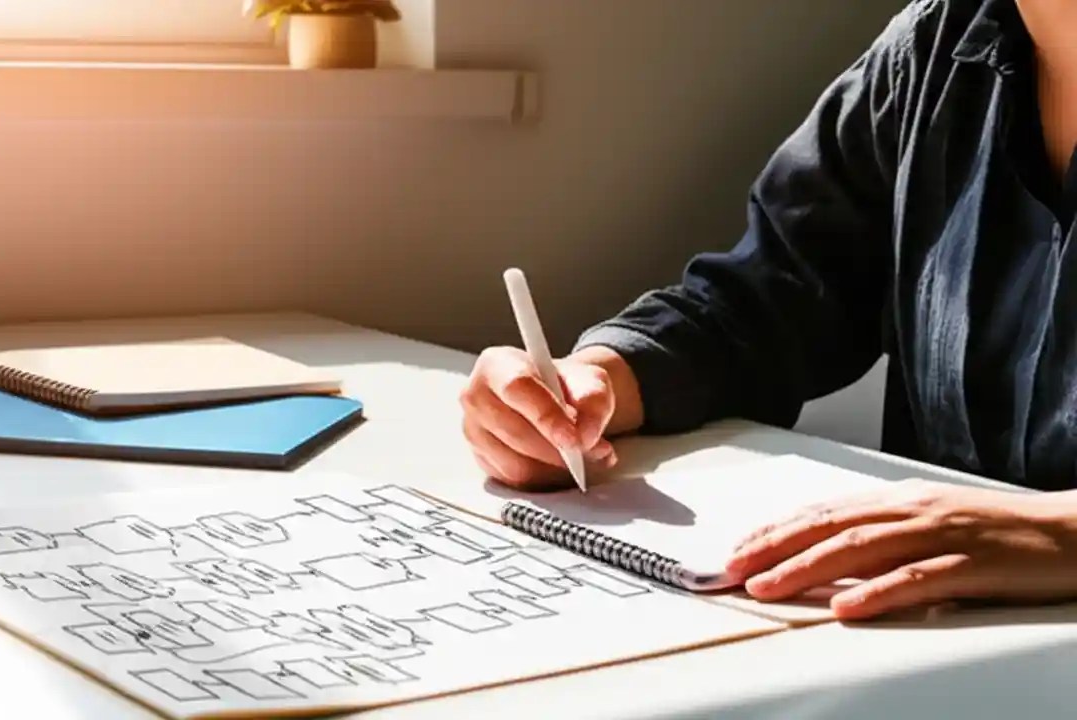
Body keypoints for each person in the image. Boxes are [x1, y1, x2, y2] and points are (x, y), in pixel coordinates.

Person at [459, 0, 1077, 620]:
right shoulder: (933, 49)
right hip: (930, 636)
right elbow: (762, 304)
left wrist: (1059, 533)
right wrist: (593, 386)